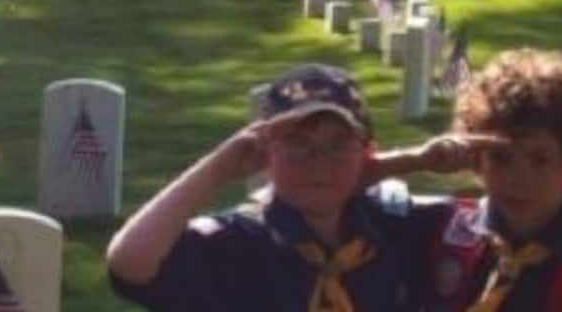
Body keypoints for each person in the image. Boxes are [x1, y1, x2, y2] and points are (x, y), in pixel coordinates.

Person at [105, 64, 429, 311]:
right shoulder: (236, 244)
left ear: (368, 153)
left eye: (339, 144)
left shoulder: (394, 229)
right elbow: (130, 264)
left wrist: (420, 160)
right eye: (298, 144)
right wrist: (219, 167)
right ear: (265, 154)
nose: (318, 162)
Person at [372, 48, 562, 311]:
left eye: (540, 160)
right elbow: (345, 190)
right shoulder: (440, 227)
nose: (517, 178)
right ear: (477, 159)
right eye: (500, 158)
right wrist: (417, 160)